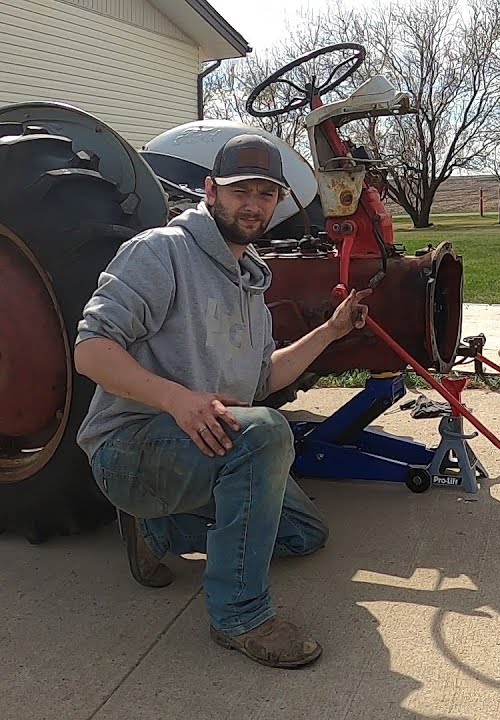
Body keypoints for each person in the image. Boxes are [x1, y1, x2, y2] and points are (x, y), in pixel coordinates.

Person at [74, 134, 372, 669]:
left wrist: (331, 332)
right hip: (131, 447)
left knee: (306, 534)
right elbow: (90, 351)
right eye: (240, 191)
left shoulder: (251, 289)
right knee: (266, 434)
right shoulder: (161, 251)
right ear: (210, 191)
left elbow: (261, 382)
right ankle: (240, 617)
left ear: (278, 202)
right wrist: (175, 399)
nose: (253, 204)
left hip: (200, 447)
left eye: (265, 193)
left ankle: (156, 528)